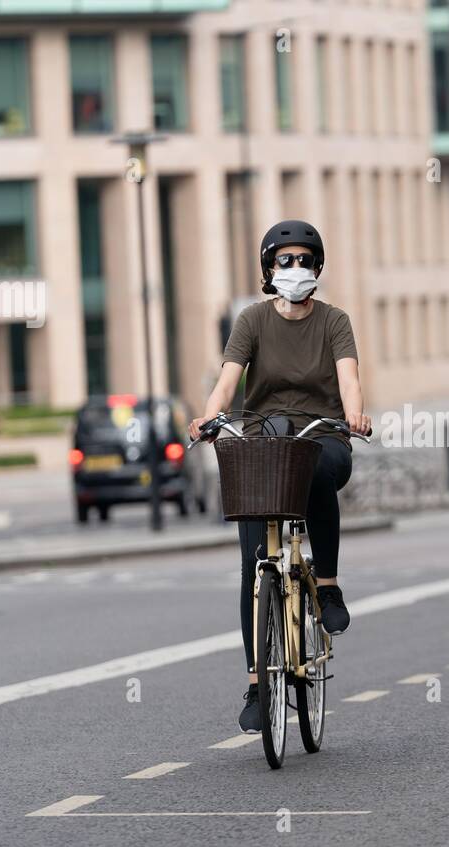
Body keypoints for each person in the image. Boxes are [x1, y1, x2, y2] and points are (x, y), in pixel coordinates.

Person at [189, 220, 371, 734]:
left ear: (318, 267)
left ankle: (328, 586)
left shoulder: (334, 321)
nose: (295, 269)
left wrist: (354, 415)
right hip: (265, 443)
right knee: (252, 565)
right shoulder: (251, 321)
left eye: (304, 260)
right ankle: (255, 686)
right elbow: (227, 384)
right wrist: (208, 417)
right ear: (269, 269)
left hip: (323, 435)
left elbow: (349, 380)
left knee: (315, 463)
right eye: (284, 261)